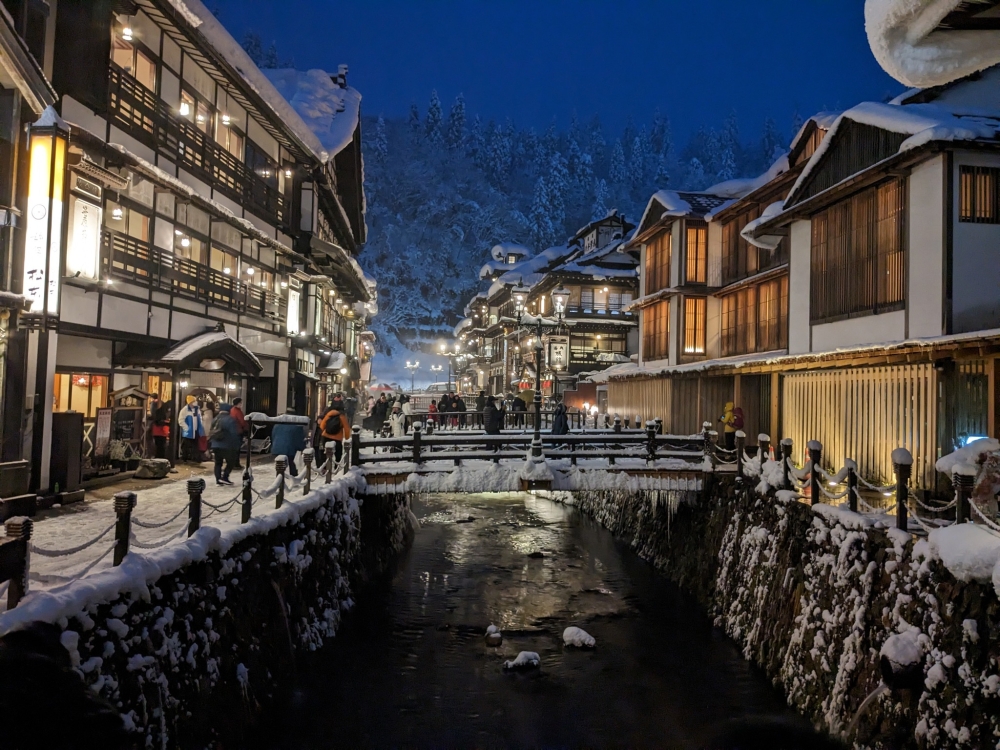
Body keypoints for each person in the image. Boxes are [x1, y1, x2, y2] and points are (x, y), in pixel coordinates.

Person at [209, 403, 241, 485]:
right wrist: (237, 444)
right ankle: (225, 477)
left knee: (218, 463)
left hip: (215, 444)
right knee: (231, 462)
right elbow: (233, 433)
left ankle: (218, 479)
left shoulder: (215, 419)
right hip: (226, 445)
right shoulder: (230, 419)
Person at [270, 407, 306, 477]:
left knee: (280, 464)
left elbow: (273, 435)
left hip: (277, 447)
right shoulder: (297, 425)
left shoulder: (277, 424)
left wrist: (273, 445)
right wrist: (302, 447)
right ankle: (294, 477)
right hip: (289, 448)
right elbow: (298, 439)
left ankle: (279, 477)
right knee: (290, 462)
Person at [320, 402, 352, 468]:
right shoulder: (342, 416)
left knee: (326, 453)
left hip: (326, 437)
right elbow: (347, 428)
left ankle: (325, 468)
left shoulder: (328, 414)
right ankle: (336, 468)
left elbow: (322, 426)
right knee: (338, 454)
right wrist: (347, 437)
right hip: (337, 438)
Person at [178, 395, 204, 462]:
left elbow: (200, 418)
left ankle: (195, 458)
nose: (196, 402)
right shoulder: (184, 410)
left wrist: (199, 427)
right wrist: (187, 428)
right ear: (190, 402)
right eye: (194, 401)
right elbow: (181, 420)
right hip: (188, 432)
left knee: (195, 445)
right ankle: (184, 457)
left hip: (196, 431)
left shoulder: (197, 409)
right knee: (186, 445)